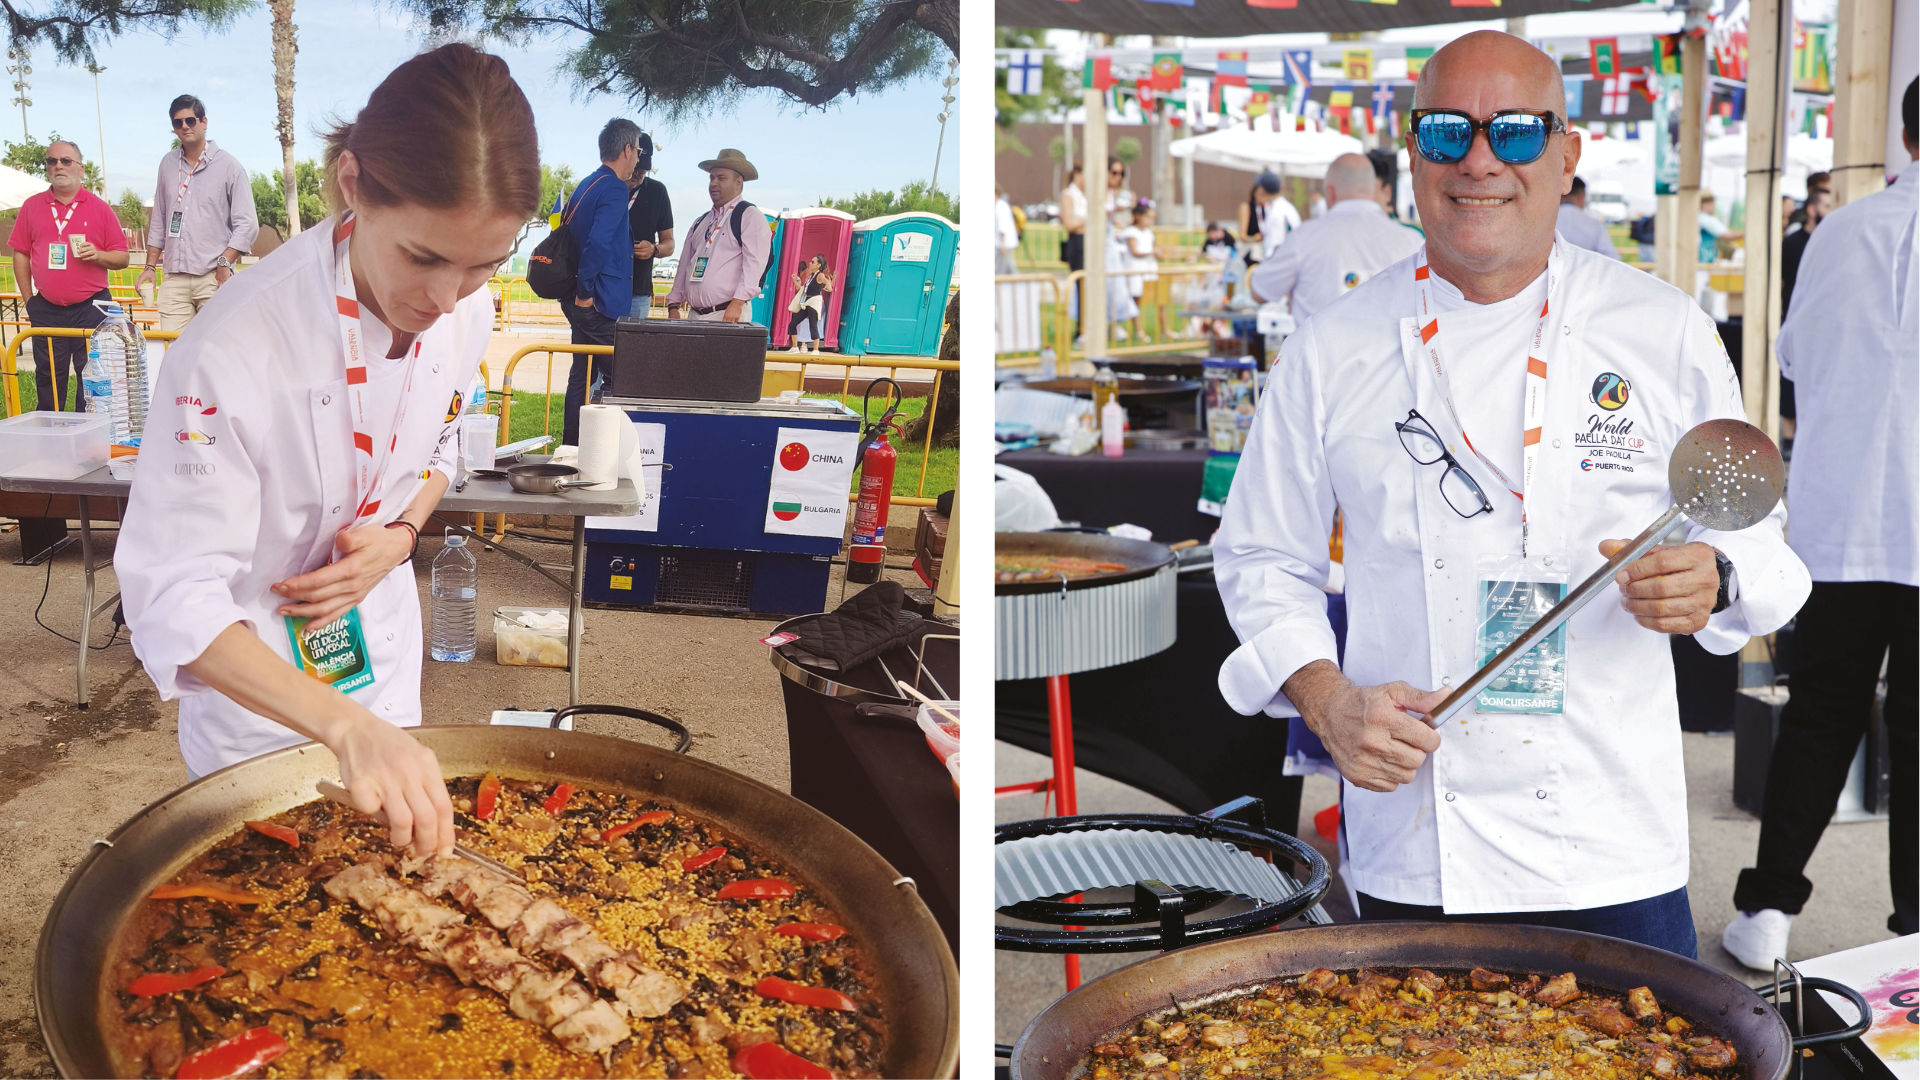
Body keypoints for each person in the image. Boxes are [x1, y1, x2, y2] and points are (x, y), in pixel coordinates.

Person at [1213, 30, 1807, 956]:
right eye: (1449, 132)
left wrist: (1717, 578)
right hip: (1415, 836)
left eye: (1518, 132)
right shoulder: (1334, 347)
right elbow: (1260, 556)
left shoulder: (1664, 332)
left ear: (1568, 154)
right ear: (1412, 155)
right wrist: (1327, 700)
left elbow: (1762, 540)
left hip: (1615, 838)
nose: (1481, 160)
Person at [115, 43, 541, 857]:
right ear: (353, 186)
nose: (445, 299)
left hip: (381, 658)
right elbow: (173, 594)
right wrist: (346, 729)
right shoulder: (231, 347)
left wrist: (402, 536)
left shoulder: (465, 314)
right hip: (262, 701)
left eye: (484, 266)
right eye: (423, 258)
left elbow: (446, 433)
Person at [1722, 78, 1919, 969]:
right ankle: (1915, 931)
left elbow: (1793, 354)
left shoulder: (1837, 230)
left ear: (1906, 140)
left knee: (1820, 715)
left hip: (1839, 522)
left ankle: (1767, 915)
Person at [8, 140, 129, 411]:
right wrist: (30, 301)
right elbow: (21, 254)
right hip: (47, 308)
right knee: (49, 375)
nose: (58, 166)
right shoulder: (32, 206)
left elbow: (122, 258)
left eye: (66, 161)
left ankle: (86, 434)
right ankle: (51, 432)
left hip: (91, 307)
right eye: (52, 161)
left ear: (81, 169)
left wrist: (98, 255)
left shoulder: (99, 208)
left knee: (92, 375)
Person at [1248, 153, 1423, 324]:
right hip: (1393, 352)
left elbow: (1260, 291)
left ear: (1330, 193)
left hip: (1320, 351)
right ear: (1373, 190)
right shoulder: (1413, 242)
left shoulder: (1303, 238)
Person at [137, 94, 259, 333]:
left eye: (190, 121)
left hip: (213, 277)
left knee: (214, 351)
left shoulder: (229, 166)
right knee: (174, 352)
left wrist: (225, 263)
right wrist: (149, 268)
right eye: (177, 123)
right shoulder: (167, 164)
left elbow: (247, 224)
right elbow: (160, 220)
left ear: (204, 122)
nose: (184, 127)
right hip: (174, 279)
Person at [560, 118, 639, 448]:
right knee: (626, 376)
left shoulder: (587, 184)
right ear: (626, 149)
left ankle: (572, 447)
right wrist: (585, 293)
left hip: (587, 299)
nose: (637, 159)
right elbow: (597, 242)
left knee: (581, 375)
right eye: (637, 151)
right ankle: (611, 450)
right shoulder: (614, 188)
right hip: (598, 302)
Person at [664, 149, 769, 325]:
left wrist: (737, 302)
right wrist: (673, 304)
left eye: (721, 178)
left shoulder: (749, 215)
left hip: (727, 314)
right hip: (694, 315)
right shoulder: (701, 221)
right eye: (711, 178)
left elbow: (754, 264)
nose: (713, 183)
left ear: (738, 182)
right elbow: (684, 264)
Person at [625, 131, 674, 319]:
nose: (638, 175)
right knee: (601, 347)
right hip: (604, 289)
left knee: (633, 347)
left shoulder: (657, 191)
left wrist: (654, 249)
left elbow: (669, 243)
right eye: (635, 168)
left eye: (643, 170)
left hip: (638, 292)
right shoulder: (608, 187)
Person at [1780, 173, 1831, 314]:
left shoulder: (1832, 242)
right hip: (1795, 313)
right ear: (1811, 210)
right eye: (1827, 207)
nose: (1831, 212)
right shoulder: (1791, 241)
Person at [1238, 171, 1301, 264]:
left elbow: (1273, 249)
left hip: (1281, 265)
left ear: (1262, 190)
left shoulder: (1275, 213)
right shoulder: (1288, 208)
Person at [1117, 200, 1158, 343]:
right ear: (1139, 216)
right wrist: (1151, 252)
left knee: (1138, 301)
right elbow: (1135, 251)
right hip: (1133, 271)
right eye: (1148, 217)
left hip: (1146, 271)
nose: (1150, 220)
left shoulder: (1149, 233)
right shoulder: (1130, 232)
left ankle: (1136, 329)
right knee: (1132, 301)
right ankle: (1135, 329)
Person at [1555, 176, 1621, 260]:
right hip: (1588, 271)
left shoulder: (1546, 222)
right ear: (1582, 195)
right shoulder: (1594, 224)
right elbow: (1612, 258)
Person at [786, 253, 833, 352]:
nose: (810, 263)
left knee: (813, 325)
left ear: (818, 265)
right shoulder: (811, 276)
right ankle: (794, 347)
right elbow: (802, 290)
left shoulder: (819, 275)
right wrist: (795, 281)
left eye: (813, 262)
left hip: (814, 303)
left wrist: (828, 286)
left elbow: (827, 283)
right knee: (792, 324)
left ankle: (816, 350)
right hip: (806, 303)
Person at [994, 184, 1021, 276]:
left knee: (1002, 269)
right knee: (1008, 267)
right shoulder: (999, 205)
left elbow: (1002, 227)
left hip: (1004, 243)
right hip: (1003, 244)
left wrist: (1002, 244)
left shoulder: (1000, 207)